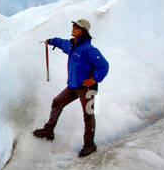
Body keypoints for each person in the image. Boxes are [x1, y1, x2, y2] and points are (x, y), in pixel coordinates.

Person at [32, 18, 109, 157]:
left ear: (83, 31)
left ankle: (89, 145)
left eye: (76, 27)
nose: (73, 28)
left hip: (88, 88)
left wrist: (94, 79)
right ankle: (48, 131)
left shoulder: (89, 49)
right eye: (73, 26)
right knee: (57, 102)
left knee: (89, 115)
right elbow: (62, 43)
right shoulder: (73, 46)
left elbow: (104, 65)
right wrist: (51, 40)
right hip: (73, 86)